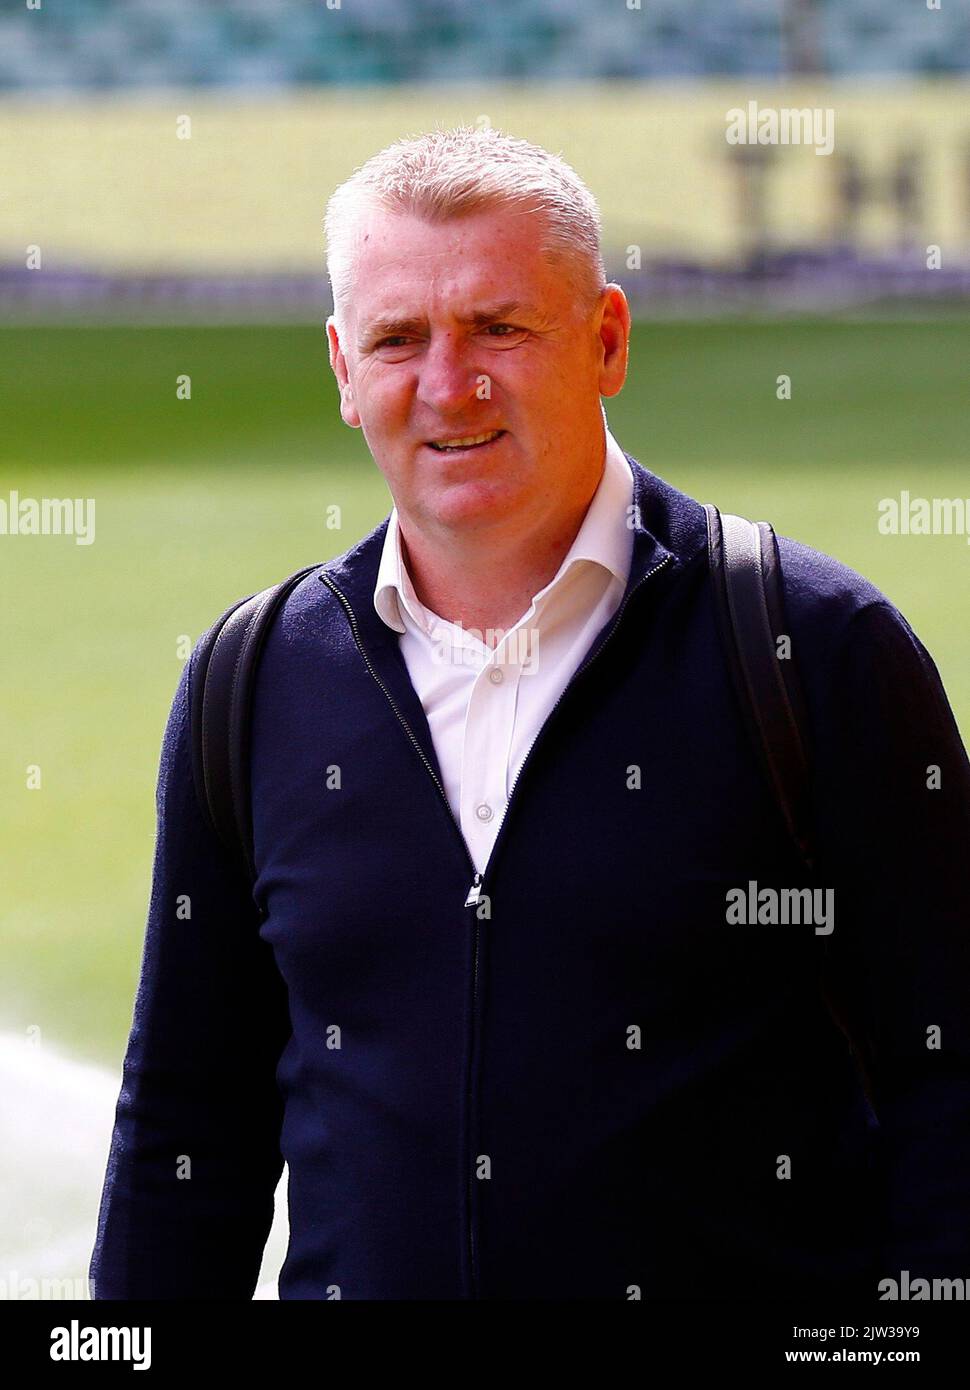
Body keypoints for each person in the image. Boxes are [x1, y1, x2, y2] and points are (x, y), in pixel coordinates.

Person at [90, 125, 970, 1300]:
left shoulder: (814, 649)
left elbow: (947, 1080)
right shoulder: (251, 681)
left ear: (606, 339)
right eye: (400, 340)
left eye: (498, 327)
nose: (450, 385)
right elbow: (183, 1129)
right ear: (344, 371)